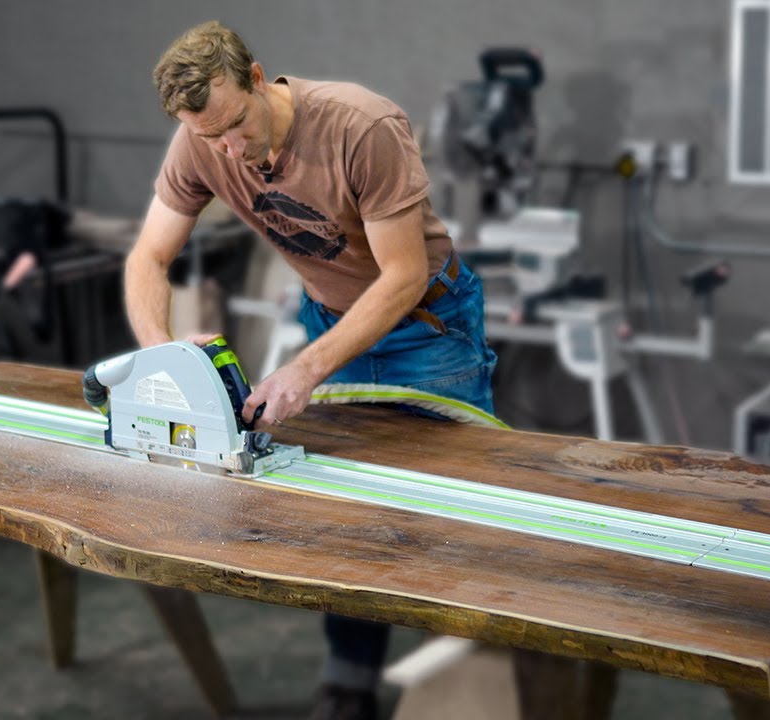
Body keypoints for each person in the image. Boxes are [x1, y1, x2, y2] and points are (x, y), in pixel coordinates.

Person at [127, 20, 497, 720]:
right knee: (348, 512)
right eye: (211, 138)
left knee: (445, 512)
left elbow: (402, 276)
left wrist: (304, 371)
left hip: (425, 325)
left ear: (259, 78)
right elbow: (149, 259)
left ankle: (464, 686)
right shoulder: (201, 139)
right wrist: (164, 354)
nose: (230, 150)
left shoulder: (362, 126)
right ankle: (349, 681)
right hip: (330, 316)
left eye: (237, 124)